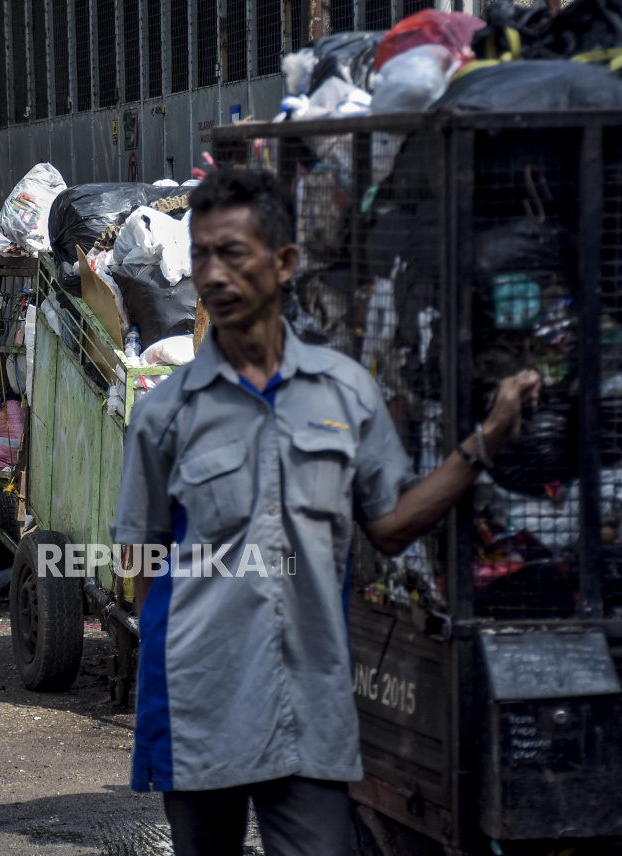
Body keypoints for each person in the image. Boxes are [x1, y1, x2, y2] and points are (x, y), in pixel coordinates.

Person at [112, 169, 540, 856]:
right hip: (198, 706)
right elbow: (139, 564)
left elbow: (392, 524)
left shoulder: (345, 395)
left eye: (234, 253)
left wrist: (482, 444)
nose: (213, 274)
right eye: (200, 255)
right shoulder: (165, 415)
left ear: (283, 264)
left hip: (306, 704)